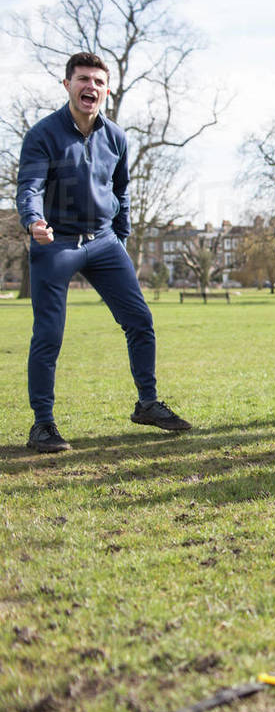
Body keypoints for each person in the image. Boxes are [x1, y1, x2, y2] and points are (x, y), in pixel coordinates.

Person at [17, 52, 192, 452]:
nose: (90, 87)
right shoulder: (43, 135)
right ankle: (43, 425)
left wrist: (122, 237)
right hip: (56, 242)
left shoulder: (115, 137)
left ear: (106, 89)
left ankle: (147, 403)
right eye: (82, 79)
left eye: (98, 81)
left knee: (140, 322)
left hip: (103, 241)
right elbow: (29, 186)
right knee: (48, 335)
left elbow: (121, 190)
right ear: (67, 85)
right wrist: (33, 221)